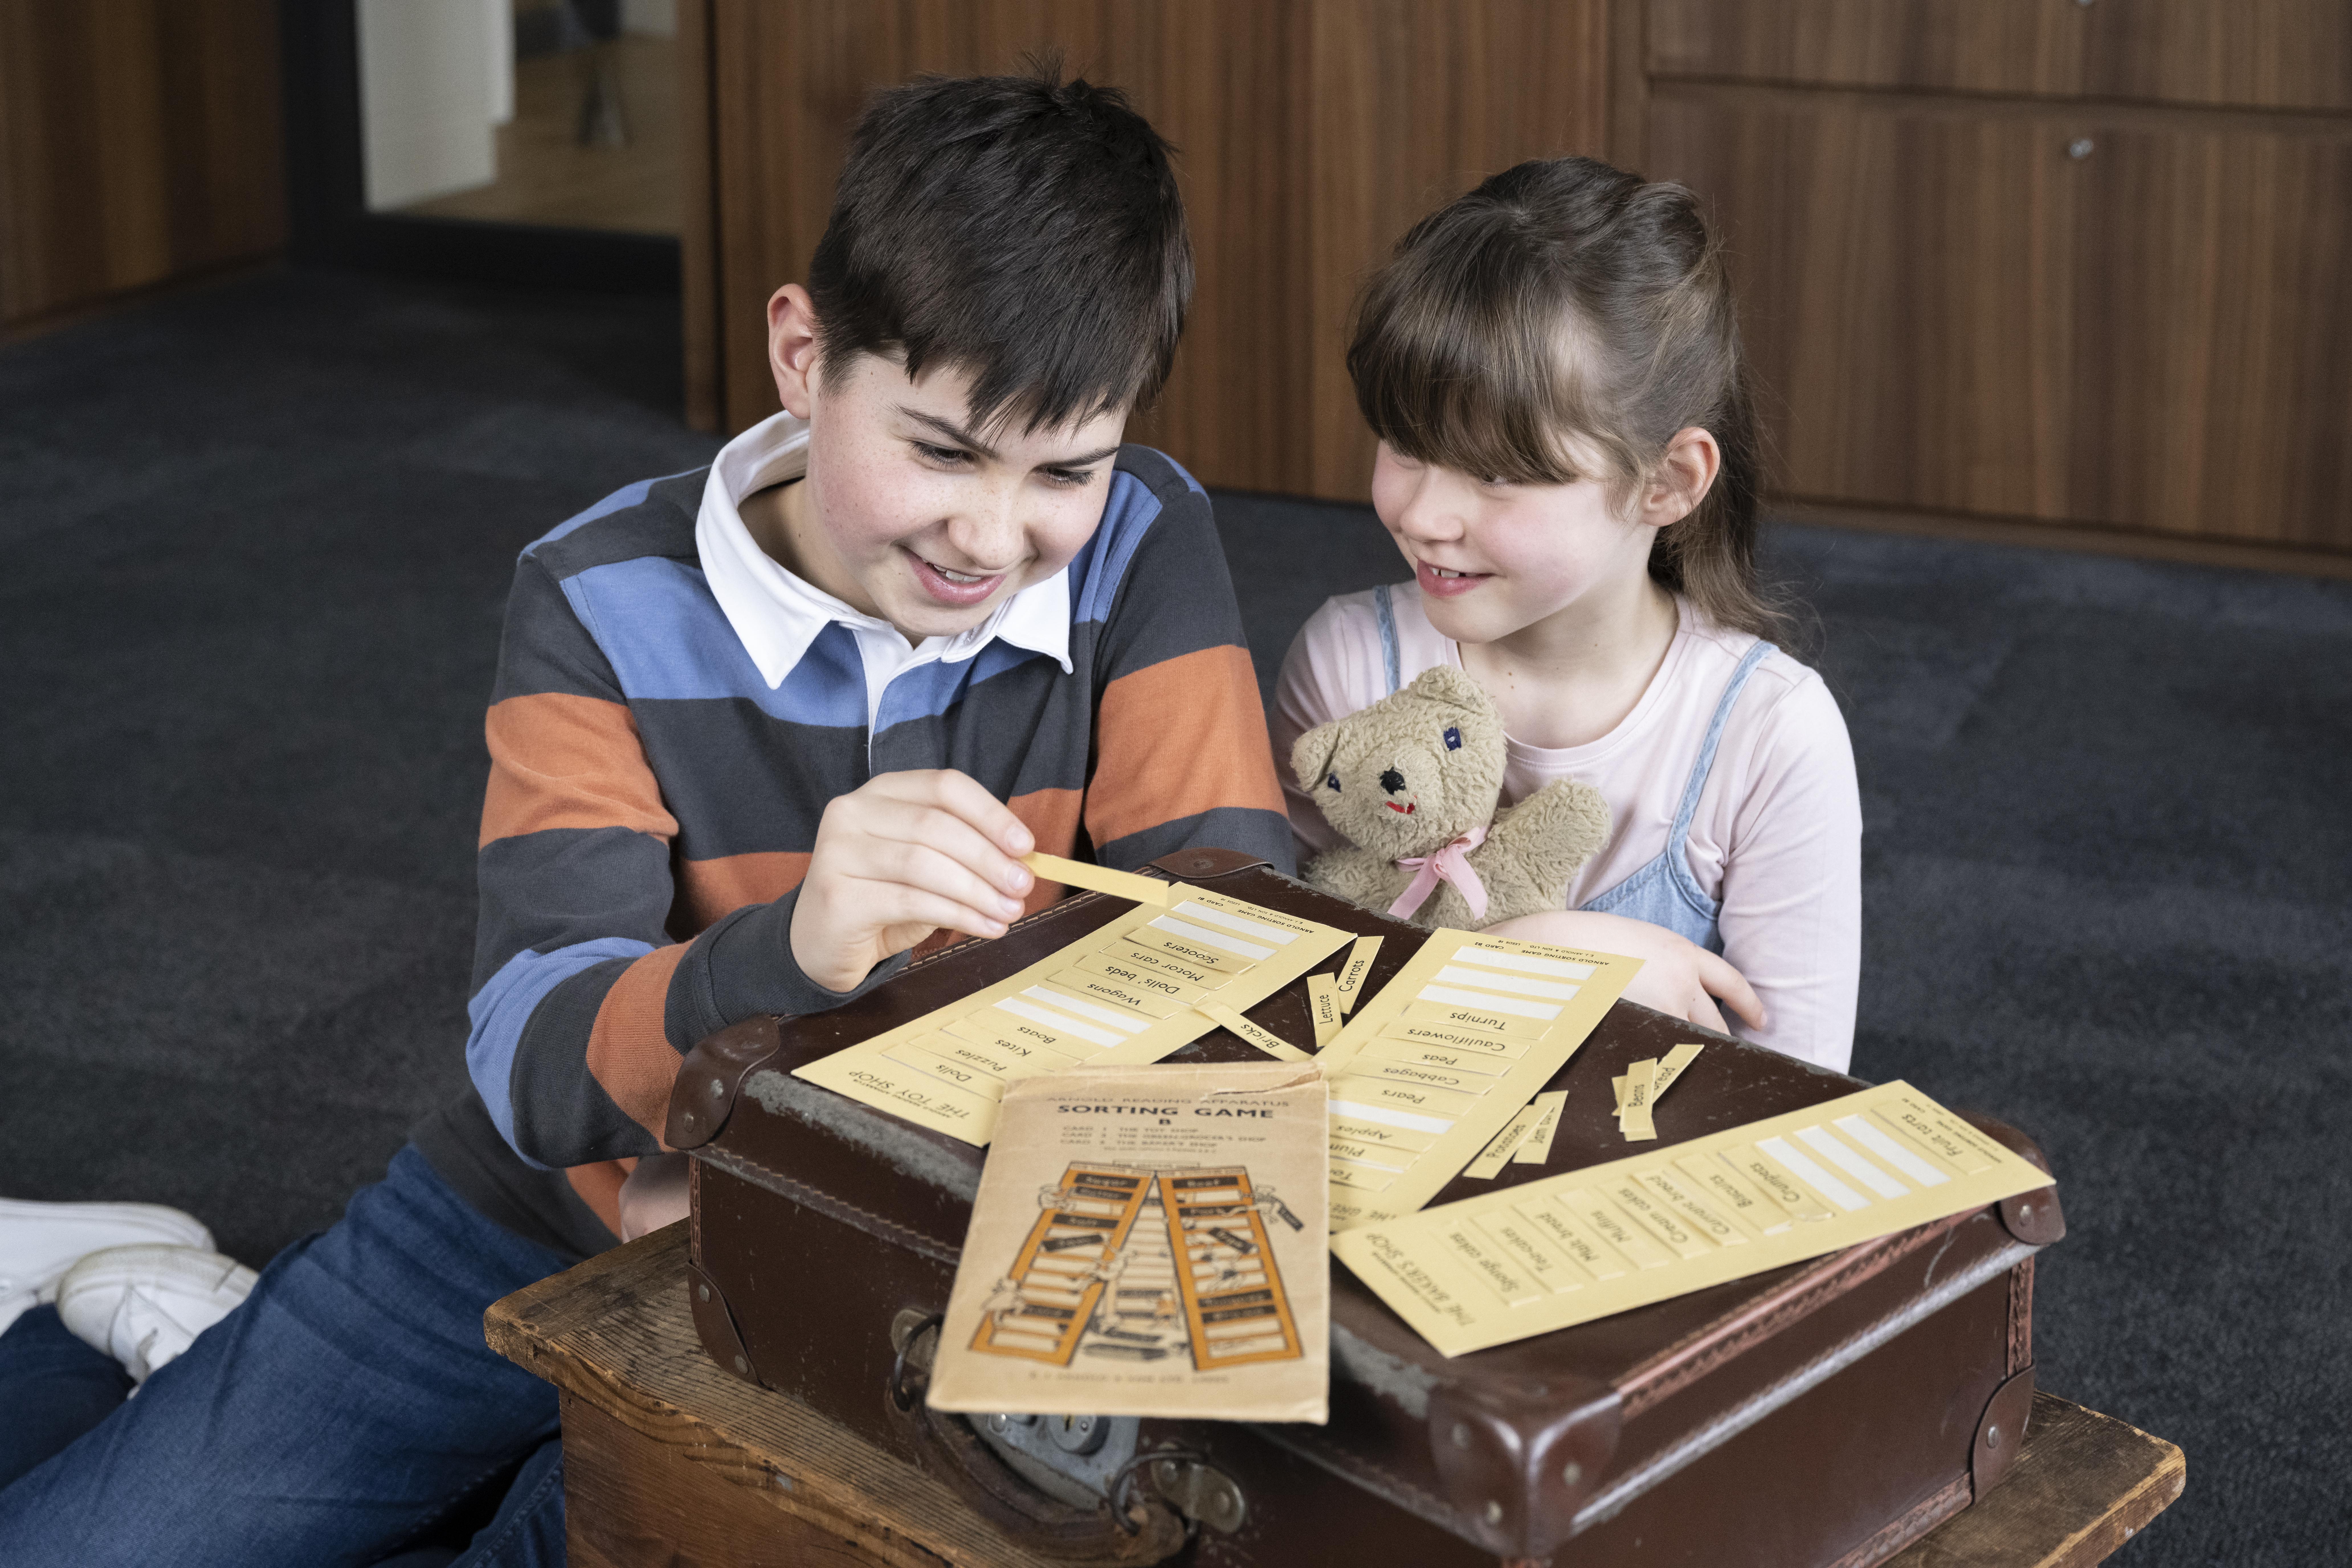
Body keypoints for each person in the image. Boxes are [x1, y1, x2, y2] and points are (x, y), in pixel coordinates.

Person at [0, 65, 1289, 1566]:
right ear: (805, 356)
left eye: (1063, 468)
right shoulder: (596, 593)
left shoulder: (1144, 540)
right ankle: (111, 1306)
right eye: (939, 449)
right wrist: (791, 955)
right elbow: (541, 1070)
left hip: (892, 1265)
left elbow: (1232, 950)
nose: (994, 538)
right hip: (547, 1214)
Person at [1272, 156, 1861, 1072]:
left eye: (1499, 473)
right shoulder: (1348, 660)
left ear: (1667, 483)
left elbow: (1801, 1097)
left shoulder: (1771, 736)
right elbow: (1284, 997)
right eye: (1404, 445)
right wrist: (1558, 958)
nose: (1424, 516)